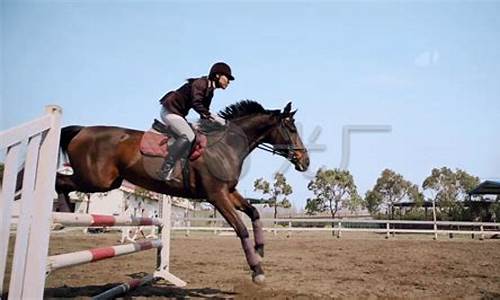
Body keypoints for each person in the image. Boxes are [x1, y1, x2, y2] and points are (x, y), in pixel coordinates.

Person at [157, 62, 234, 181]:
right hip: (169, 111)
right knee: (189, 136)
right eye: (227, 78)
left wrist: (213, 126)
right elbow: (196, 104)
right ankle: (165, 169)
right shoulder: (201, 83)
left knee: (197, 135)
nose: (228, 81)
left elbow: (204, 113)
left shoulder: (210, 90)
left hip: (178, 114)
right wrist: (216, 118)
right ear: (217, 75)